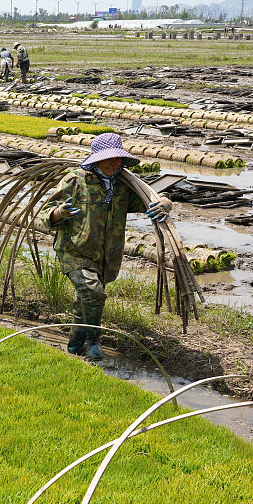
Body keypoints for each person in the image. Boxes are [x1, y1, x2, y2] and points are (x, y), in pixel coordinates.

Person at [42, 132, 172, 360]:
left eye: (118, 158)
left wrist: (165, 202)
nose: (115, 163)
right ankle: (93, 341)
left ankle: (73, 348)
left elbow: (148, 202)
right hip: (76, 251)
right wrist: (59, 212)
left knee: (86, 299)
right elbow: (45, 214)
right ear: (97, 159)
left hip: (107, 257)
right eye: (109, 158)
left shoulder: (122, 185)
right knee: (93, 293)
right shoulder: (75, 180)